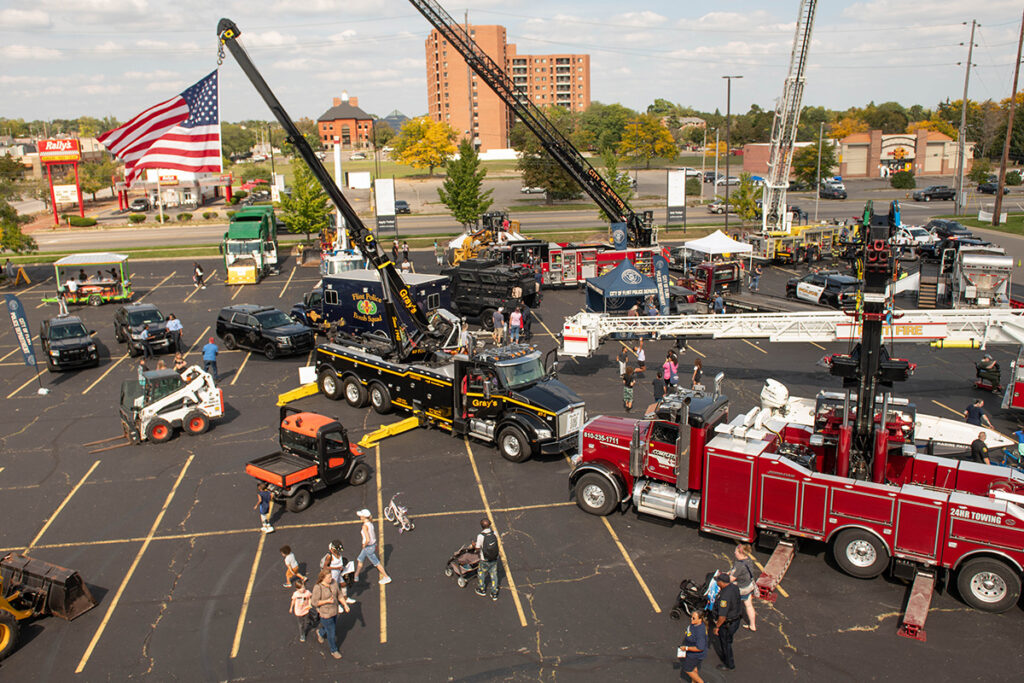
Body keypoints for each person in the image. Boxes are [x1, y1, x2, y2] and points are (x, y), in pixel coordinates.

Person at [312, 569, 349, 659]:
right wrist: (326, 601)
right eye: (329, 577)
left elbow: (339, 594)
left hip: (334, 611)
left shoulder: (333, 583)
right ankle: (334, 650)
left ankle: (320, 633)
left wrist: (345, 605)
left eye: (331, 576)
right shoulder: (318, 587)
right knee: (331, 633)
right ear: (323, 578)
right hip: (325, 614)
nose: (331, 578)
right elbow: (314, 602)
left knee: (330, 627)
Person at [709, 571, 743, 672]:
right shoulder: (734, 587)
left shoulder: (724, 597)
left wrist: (717, 627)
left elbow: (722, 616)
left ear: (723, 582)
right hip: (735, 620)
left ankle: (729, 664)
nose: (717, 583)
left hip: (727, 624)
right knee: (728, 639)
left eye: (718, 581)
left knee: (725, 644)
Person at [355, 509, 392, 585]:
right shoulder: (370, 524)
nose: (360, 517)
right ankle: (356, 575)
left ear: (364, 517)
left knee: (376, 563)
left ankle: (386, 577)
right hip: (372, 546)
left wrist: (364, 545)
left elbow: (368, 539)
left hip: (368, 547)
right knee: (360, 559)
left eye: (361, 516)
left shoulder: (364, 526)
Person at [729, 543, 758, 632]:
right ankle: (753, 625)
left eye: (736, 551)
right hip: (748, 586)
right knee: (749, 605)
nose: (734, 553)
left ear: (740, 553)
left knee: (730, 601)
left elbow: (731, 579)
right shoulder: (748, 560)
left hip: (741, 589)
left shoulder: (739, 565)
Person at [677, 607, 708, 683]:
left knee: (687, 669)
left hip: (695, 655)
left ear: (700, 619)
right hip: (691, 654)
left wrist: (686, 648)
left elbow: (700, 648)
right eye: (691, 617)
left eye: (694, 618)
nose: (691, 619)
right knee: (694, 667)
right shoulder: (694, 625)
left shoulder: (700, 632)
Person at [473, 518, 500, 601]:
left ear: (482, 526)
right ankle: (494, 592)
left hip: (484, 559)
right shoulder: (494, 533)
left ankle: (482, 589)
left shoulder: (480, 536)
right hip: (494, 558)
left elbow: (477, 548)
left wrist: (474, 545)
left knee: (481, 572)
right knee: (494, 574)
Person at [323, 540, 356, 604]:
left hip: (338, 573)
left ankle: (345, 598)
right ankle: (335, 604)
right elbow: (325, 567)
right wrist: (337, 568)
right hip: (332, 575)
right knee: (334, 590)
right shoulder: (329, 556)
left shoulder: (338, 553)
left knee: (343, 584)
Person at [289, 577, 315, 643]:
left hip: (305, 609)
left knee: (307, 618)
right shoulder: (296, 594)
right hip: (298, 611)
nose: (303, 589)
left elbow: (309, 598)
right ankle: (302, 634)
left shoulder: (307, 592)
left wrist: (309, 605)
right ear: (297, 589)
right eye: (301, 588)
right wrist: (291, 608)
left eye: (303, 587)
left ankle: (310, 621)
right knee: (301, 624)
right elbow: (293, 601)